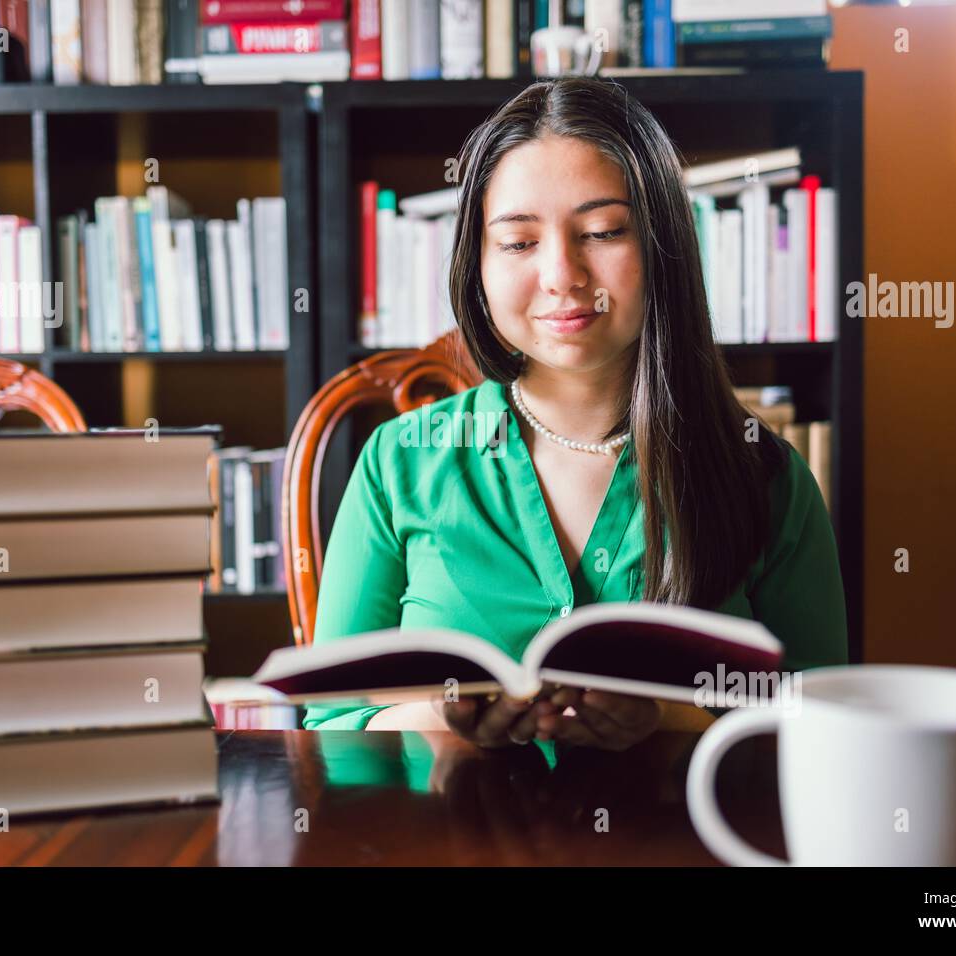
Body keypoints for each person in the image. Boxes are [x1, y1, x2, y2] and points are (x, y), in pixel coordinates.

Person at [303, 76, 847, 750]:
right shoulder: (398, 463)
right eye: (519, 242)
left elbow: (822, 724)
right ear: (477, 265)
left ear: (663, 247)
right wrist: (446, 721)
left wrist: (670, 718)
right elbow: (327, 724)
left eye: (602, 231)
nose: (562, 274)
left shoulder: (766, 477)